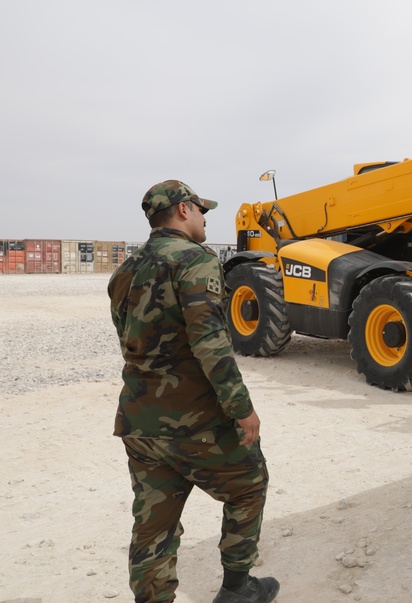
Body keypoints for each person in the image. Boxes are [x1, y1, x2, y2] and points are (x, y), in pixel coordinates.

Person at [108, 180, 280, 603]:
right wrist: (241, 408)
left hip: (138, 422)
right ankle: (238, 589)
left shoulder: (125, 270)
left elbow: (129, 340)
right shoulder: (194, 260)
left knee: (153, 525)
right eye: (203, 211)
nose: (205, 219)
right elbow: (210, 342)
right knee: (249, 484)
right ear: (184, 210)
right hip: (193, 420)